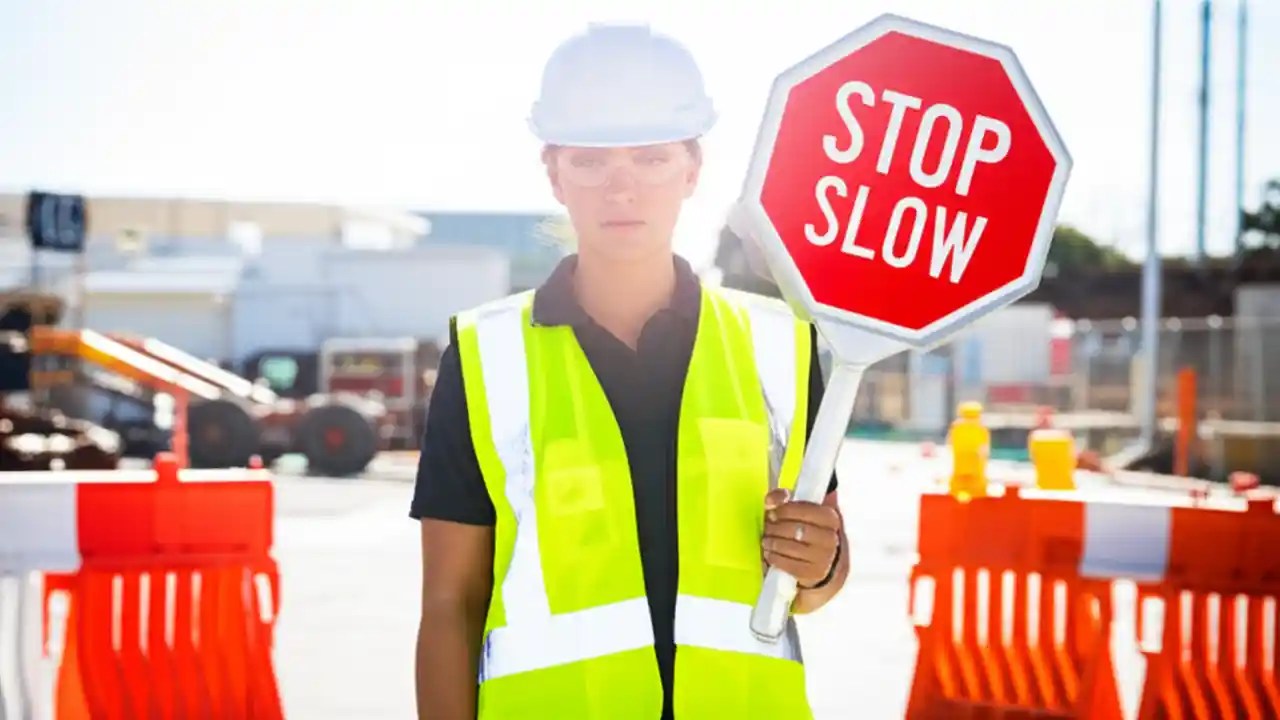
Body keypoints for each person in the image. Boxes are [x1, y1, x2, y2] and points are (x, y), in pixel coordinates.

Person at [410, 22, 850, 720]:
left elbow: (815, 582)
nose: (622, 188)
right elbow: (448, 603)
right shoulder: (485, 356)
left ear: (692, 171)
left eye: (650, 159)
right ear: (554, 174)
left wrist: (821, 564)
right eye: (590, 161)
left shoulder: (781, 347)